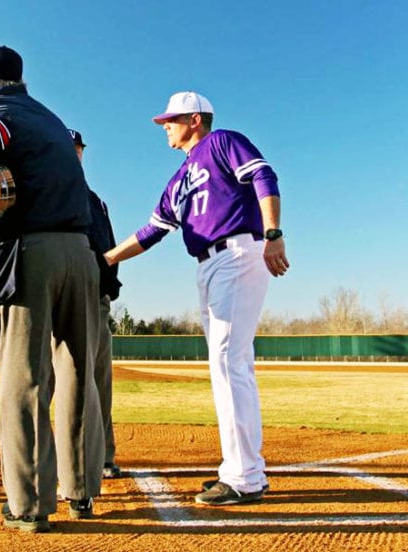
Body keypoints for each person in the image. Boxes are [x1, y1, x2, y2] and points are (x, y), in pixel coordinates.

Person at [0, 46, 104, 532]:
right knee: (78, 372)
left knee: (26, 381)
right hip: (82, 252)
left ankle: (30, 506)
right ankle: (80, 491)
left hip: (29, 253)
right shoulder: (54, 121)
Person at [104, 91, 289, 506]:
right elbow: (153, 231)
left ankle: (245, 477)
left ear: (193, 120)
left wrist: (273, 232)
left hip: (239, 252)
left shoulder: (222, 141)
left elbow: (264, 175)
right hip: (205, 266)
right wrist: (109, 258)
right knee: (225, 364)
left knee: (229, 361)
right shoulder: (180, 177)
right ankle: (239, 469)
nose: (164, 127)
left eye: (170, 120)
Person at [68, 128, 124, 480]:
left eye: (78, 149)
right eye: (68, 148)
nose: (75, 154)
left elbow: (110, 249)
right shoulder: (48, 192)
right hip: (64, 296)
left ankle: (103, 455)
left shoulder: (96, 200)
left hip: (97, 298)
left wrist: (108, 288)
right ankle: (62, 457)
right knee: (64, 378)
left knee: (100, 378)